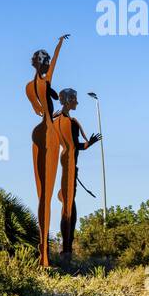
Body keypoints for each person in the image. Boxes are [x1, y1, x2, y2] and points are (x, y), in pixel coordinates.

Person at [27, 34, 70, 267]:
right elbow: (54, 67)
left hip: (36, 134)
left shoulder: (28, 87)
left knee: (41, 194)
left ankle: (43, 253)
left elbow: (37, 110)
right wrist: (59, 45)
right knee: (48, 194)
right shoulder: (45, 82)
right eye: (47, 61)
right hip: (50, 133)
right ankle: (44, 256)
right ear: (43, 64)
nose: (48, 64)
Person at [54, 88, 102, 261]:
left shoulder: (55, 120)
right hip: (69, 167)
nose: (77, 102)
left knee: (68, 206)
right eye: (74, 99)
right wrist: (90, 143)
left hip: (64, 164)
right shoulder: (71, 123)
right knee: (69, 210)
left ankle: (66, 249)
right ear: (67, 101)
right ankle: (66, 250)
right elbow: (75, 146)